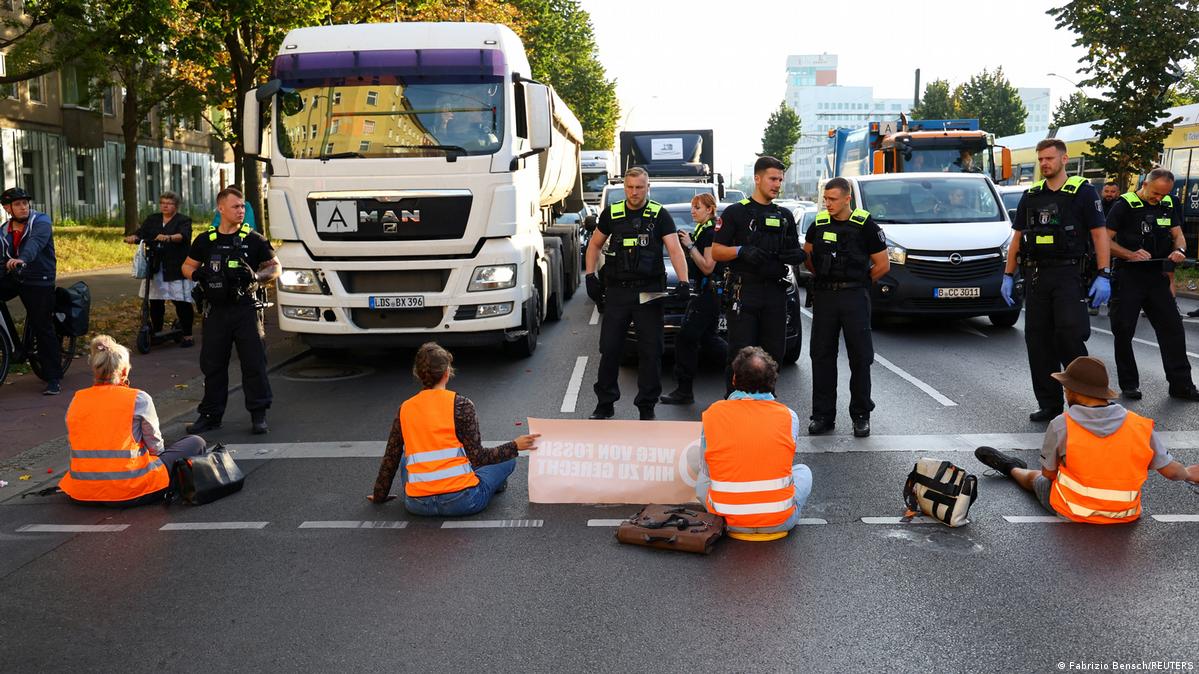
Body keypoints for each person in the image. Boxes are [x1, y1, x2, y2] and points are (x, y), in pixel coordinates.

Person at [975, 356, 1199, 524]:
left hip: (1073, 510)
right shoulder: (1139, 425)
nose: (1064, 393)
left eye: (1065, 388)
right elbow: (1171, 472)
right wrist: (1189, 473)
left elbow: (1049, 474)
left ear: (1071, 391)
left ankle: (1011, 467)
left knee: (1036, 479)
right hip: (1125, 513)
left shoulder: (1062, 424)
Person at [1000, 138, 1111, 422]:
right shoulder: (1032, 195)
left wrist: (1104, 273)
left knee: (1070, 338)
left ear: (1064, 159)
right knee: (1038, 342)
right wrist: (1008, 275)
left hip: (1069, 274)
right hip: (1037, 275)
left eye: (1049, 158)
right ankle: (1049, 405)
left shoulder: (1083, 193)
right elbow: (1017, 238)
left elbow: (1099, 235)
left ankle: (1085, 403)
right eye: (1040, 159)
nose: (1044, 164)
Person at [369, 342, 540, 515]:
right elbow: (478, 457)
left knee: (407, 459)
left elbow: (391, 456)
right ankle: (495, 484)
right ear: (447, 373)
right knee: (507, 460)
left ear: (419, 374)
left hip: (418, 504)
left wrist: (379, 496)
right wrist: (515, 445)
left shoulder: (405, 408)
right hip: (462, 501)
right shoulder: (461, 404)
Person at [584, 166, 690, 421]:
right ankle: (605, 404)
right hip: (618, 292)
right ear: (624, 188)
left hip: (649, 293)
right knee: (610, 349)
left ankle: (646, 406)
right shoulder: (613, 213)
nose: (634, 192)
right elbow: (594, 245)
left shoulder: (659, 215)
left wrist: (684, 281)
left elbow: (675, 250)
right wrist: (589, 276)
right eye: (630, 187)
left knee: (650, 351)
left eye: (639, 187)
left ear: (647, 187)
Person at [58, 335, 207, 506]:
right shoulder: (138, 399)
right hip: (129, 489)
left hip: (82, 491)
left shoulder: (77, 399)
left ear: (95, 370)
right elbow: (155, 446)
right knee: (195, 442)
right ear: (123, 371)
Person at [183, 187, 279, 435]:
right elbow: (186, 266)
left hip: (245, 310)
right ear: (221, 208)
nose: (241, 211)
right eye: (236, 206)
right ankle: (210, 416)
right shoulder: (205, 240)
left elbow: (276, 268)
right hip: (215, 312)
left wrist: (257, 277)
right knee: (213, 365)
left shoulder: (254, 239)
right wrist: (197, 274)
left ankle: (259, 415)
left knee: (253, 363)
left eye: (242, 207)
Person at [803, 177, 890, 437]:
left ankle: (861, 416)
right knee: (821, 357)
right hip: (826, 298)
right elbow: (808, 257)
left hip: (854, 297)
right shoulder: (817, 225)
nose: (827, 204)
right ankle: (822, 416)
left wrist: (859, 282)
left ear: (846, 199)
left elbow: (883, 264)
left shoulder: (866, 226)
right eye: (825, 199)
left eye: (832, 199)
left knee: (860, 359)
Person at [696, 347, 812, 538]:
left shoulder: (713, 414)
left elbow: (707, 470)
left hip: (725, 519)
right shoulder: (789, 416)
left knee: (700, 474)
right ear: (772, 382)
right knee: (804, 471)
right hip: (779, 520)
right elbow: (784, 466)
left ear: (734, 380)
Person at [711, 156, 804, 394]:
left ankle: (767, 407)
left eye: (780, 180)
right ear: (757, 178)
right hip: (745, 292)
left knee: (774, 356)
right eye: (773, 179)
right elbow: (717, 251)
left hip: (775, 292)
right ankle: (734, 405)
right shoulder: (736, 213)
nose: (777, 184)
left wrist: (795, 256)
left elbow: (793, 250)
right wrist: (742, 250)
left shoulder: (784, 215)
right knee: (740, 356)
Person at [1105, 168, 1199, 401]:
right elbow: (1103, 240)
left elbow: (1178, 235)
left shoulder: (1167, 204)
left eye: (1163, 194)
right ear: (1145, 184)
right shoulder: (1123, 205)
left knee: (1173, 330)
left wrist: (1179, 250)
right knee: (1124, 331)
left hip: (1156, 277)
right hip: (1129, 276)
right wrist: (1129, 254)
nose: (1159, 198)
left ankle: (1181, 385)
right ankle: (1129, 384)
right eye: (1156, 193)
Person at [661, 193, 727, 405]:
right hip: (704, 294)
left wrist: (690, 246)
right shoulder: (703, 231)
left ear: (709, 210)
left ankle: (684, 391)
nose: (693, 211)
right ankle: (744, 365)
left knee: (686, 339)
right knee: (708, 339)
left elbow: (708, 266)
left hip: (707, 295)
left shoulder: (710, 233)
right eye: (692, 206)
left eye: (697, 207)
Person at [0, 186, 62, 395]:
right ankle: (11, 345)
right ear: (8, 208)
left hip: (39, 278)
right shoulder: (3, 230)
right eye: (17, 204)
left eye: (25, 203)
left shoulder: (41, 221)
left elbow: (35, 243)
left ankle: (53, 377)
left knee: (42, 325)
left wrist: (22, 259)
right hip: (15, 276)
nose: (23, 207)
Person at [124, 191, 196, 347]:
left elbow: (184, 236)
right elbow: (141, 233)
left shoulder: (183, 220)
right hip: (157, 266)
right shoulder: (153, 219)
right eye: (163, 202)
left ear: (175, 206)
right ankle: (156, 330)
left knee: (181, 302)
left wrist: (169, 237)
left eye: (169, 203)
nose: (165, 205)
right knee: (155, 301)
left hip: (176, 267)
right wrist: (133, 238)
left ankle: (188, 334)